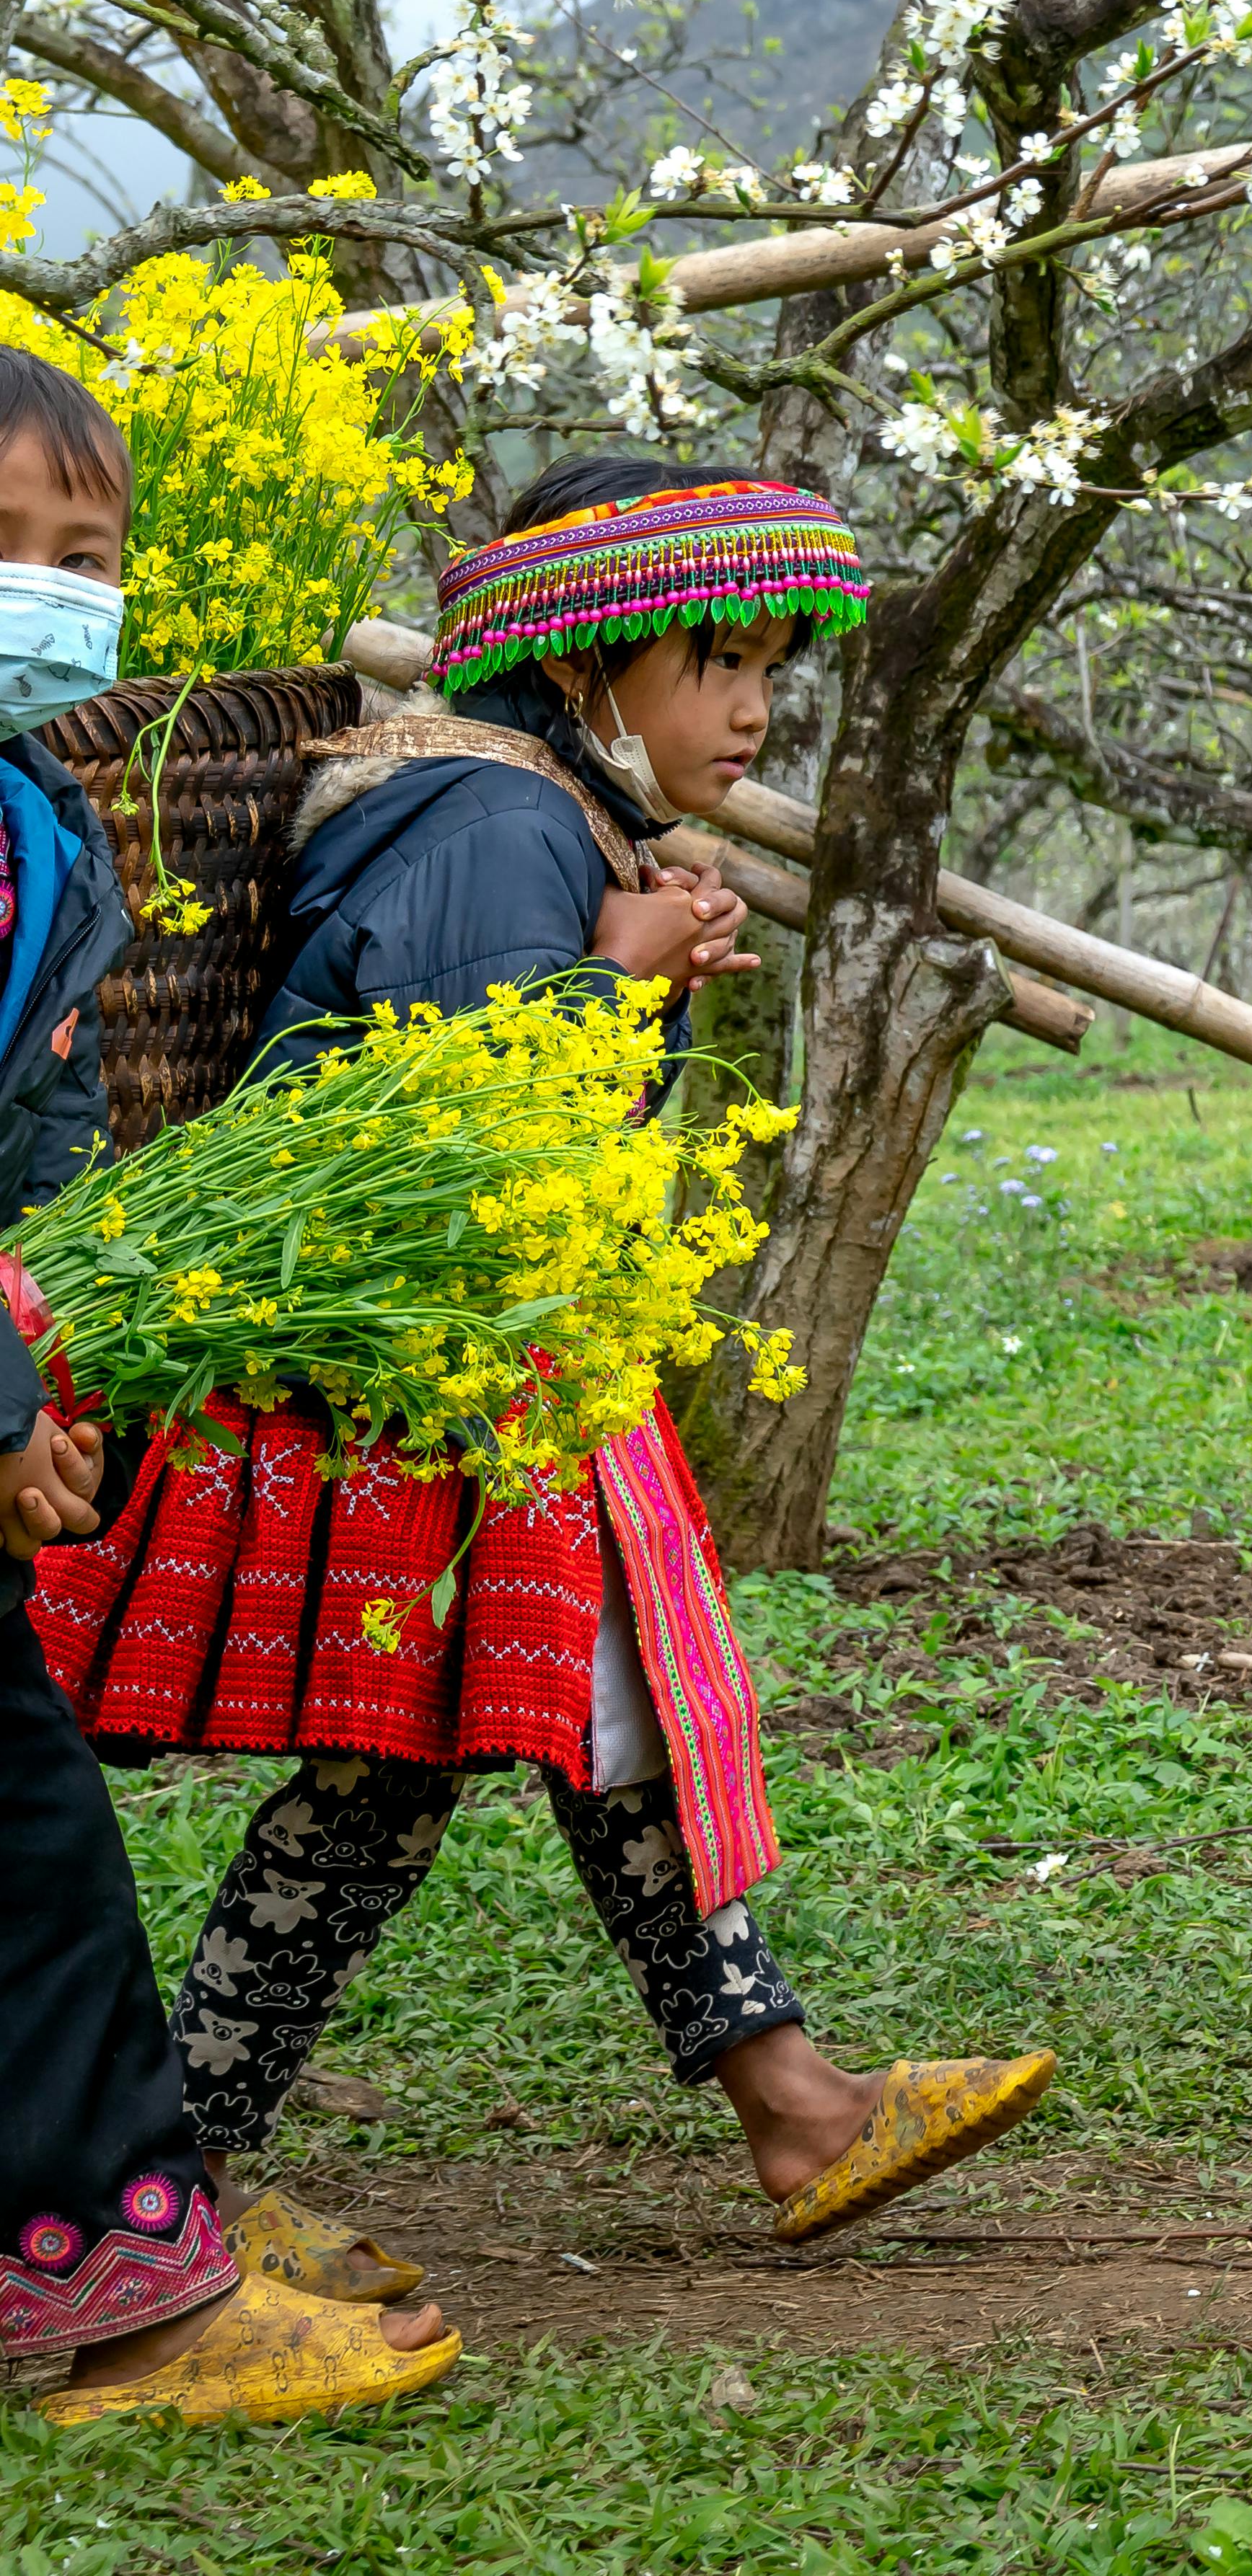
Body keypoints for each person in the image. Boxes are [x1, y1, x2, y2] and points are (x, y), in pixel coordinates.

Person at [27, 455, 1052, 2285]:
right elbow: (453, 1123)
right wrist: (619, 979)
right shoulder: (495, 826)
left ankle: (767, 2099)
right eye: (717, 663)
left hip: (460, 1377)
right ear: (588, 670)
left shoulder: (542, 817)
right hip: (399, 1381)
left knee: (464, 1752)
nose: (750, 709)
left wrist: (633, 957)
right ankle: (762, 2103)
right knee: (501, 1734)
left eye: (770, 670)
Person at [0, 348, 458, 2421]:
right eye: (0, 545)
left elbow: (34, 1150)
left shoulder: (35, 817)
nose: (44, 589)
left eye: (80, 557)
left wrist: (34, 1385)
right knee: (26, 1837)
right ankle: (130, 2299)